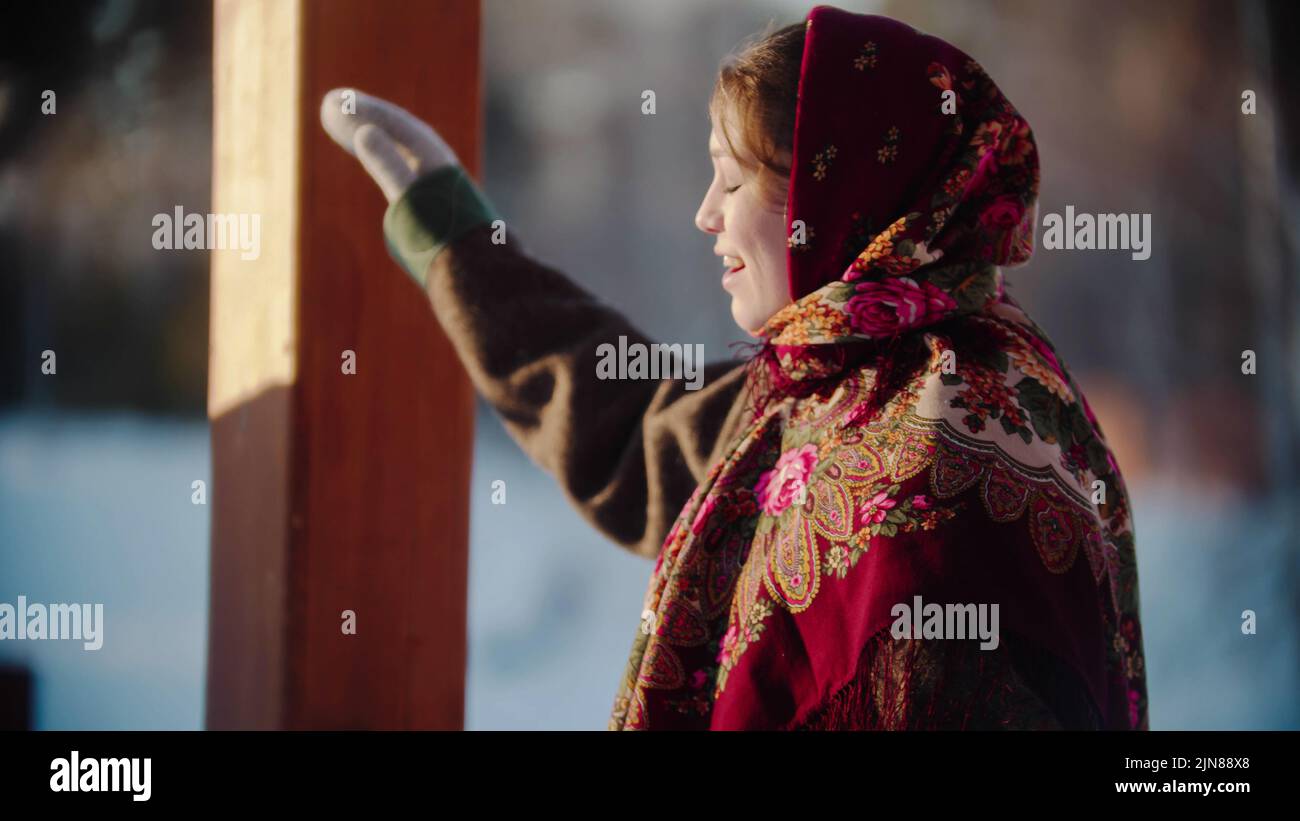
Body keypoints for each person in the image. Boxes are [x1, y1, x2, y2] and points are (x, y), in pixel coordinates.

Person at [320, 4, 1148, 730]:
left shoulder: (945, 447)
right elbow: (637, 429)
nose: (704, 214)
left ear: (835, 193)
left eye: (730, 179)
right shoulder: (831, 386)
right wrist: (457, 240)